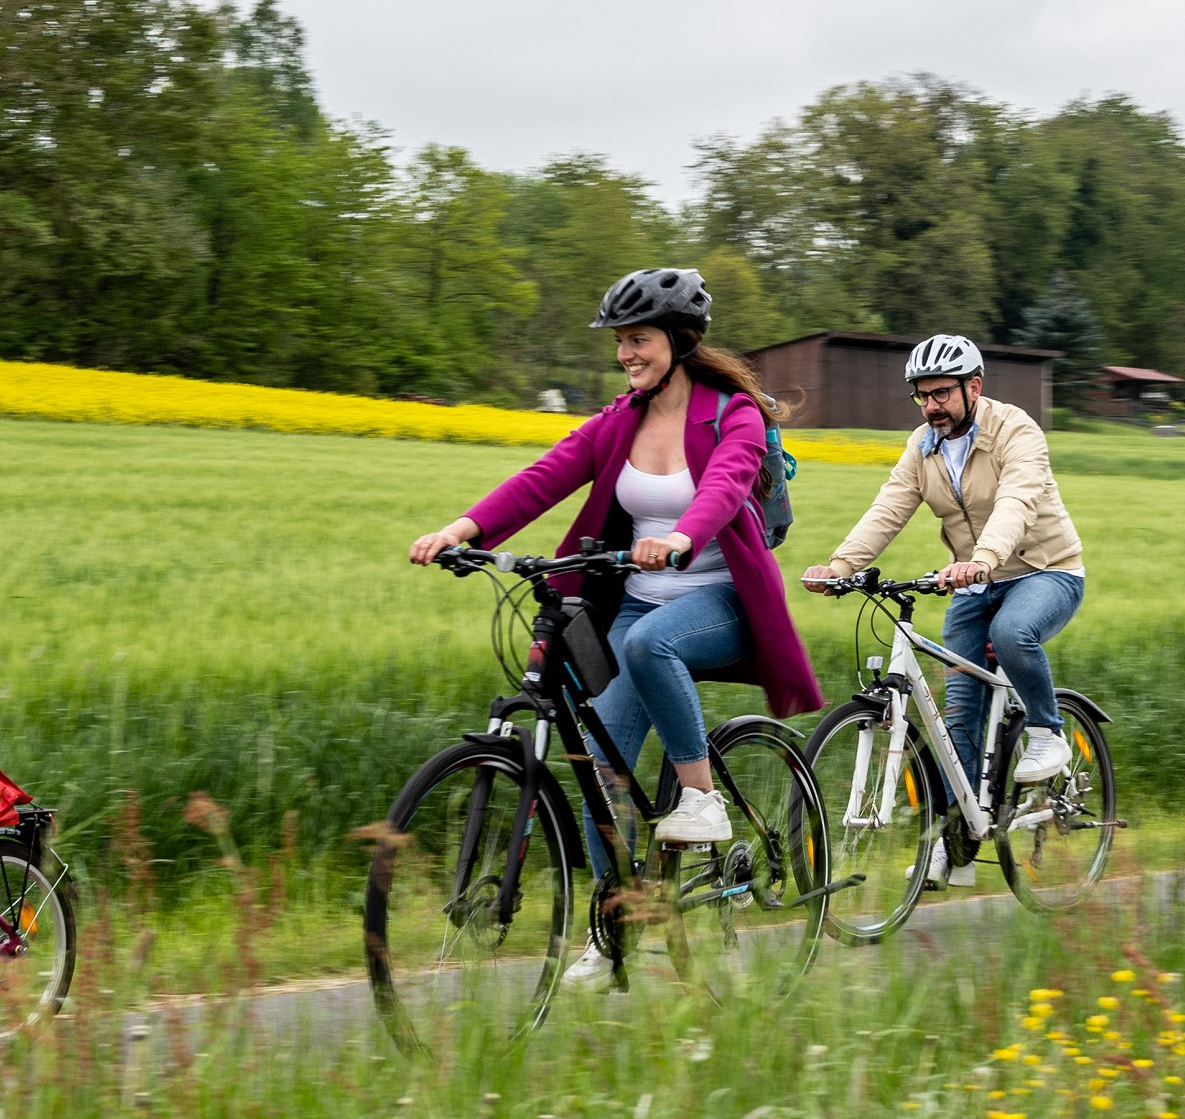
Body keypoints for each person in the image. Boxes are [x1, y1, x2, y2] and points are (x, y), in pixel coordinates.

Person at [409, 266, 823, 857]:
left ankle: (702, 799)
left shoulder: (734, 414)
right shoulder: (621, 418)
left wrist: (681, 538)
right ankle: (611, 931)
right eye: (620, 342)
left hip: (723, 600)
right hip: (637, 602)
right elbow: (544, 477)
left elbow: (726, 485)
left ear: (679, 339)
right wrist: (459, 530)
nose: (626, 354)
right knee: (604, 777)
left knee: (650, 644)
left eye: (639, 339)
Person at [803, 334, 1086, 791]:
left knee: (1011, 632)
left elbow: (1017, 500)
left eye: (942, 393)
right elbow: (889, 509)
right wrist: (839, 568)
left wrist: (984, 559)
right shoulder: (922, 446)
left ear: (973, 388)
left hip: (1045, 571)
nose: (932, 405)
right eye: (922, 395)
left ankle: (1046, 732)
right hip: (974, 583)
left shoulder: (1016, 430)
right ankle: (961, 834)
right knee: (960, 710)